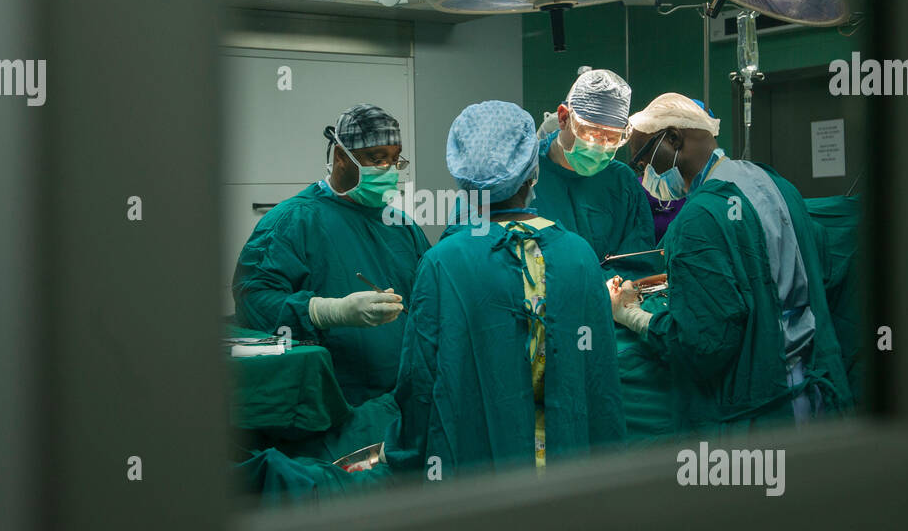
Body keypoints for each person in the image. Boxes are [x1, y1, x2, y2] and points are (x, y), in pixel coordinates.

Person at [383, 101, 625, 477]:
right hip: (568, 478)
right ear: (533, 171)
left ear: (462, 177)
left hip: (478, 482)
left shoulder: (443, 263)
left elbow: (419, 386)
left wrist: (404, 460)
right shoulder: (578, 256)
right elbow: (601, 386)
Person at [608, 93, 851, 434]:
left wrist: (632, 315)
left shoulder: (698, 218)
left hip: (761, 408)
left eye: (643, 160)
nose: (644, 173)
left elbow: (702, 345)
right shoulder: (773, 182)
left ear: (674, 138)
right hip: (815, 388)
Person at [231, 104, 430, 406]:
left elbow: (430, 302)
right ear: (341, 157)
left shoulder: (402, 227)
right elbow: (253, 301)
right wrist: (328, 311)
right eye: (376, 160)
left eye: (394, 159)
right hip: (334, 406)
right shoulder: (293, 221)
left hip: (404, 401)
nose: (388, 171)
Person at [531, 69, 665, 279]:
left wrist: (600, 289)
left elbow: (638, 263)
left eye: (612, 138)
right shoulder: (524, 176)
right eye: (591, 133)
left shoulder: (621, 183)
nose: (600, 146)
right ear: (563, 117)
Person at [626, 93, 718, 244]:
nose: (644, 167)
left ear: (674, 138)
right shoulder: (642, 190)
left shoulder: (718, 195)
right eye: (640, 165)